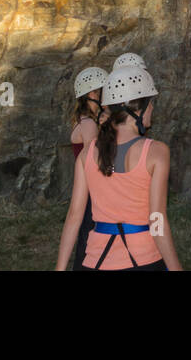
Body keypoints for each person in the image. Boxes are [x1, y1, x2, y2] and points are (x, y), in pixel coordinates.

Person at [57, 62, 182, 271]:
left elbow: (74, 217)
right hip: (144, 259)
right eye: (150, 103)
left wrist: (59, 269)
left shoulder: (88, 154)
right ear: (138, 109)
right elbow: (157, 219)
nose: (152, 108)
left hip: (95, 261)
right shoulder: (156, 152)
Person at [68, 65, 107, 271]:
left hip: (88, 187)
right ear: (92, 93)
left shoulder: (85, 121)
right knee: (88, 235)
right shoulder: (89, 124)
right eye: (102, 91)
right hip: (91, 189)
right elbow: (94, 161)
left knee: (87, 232)